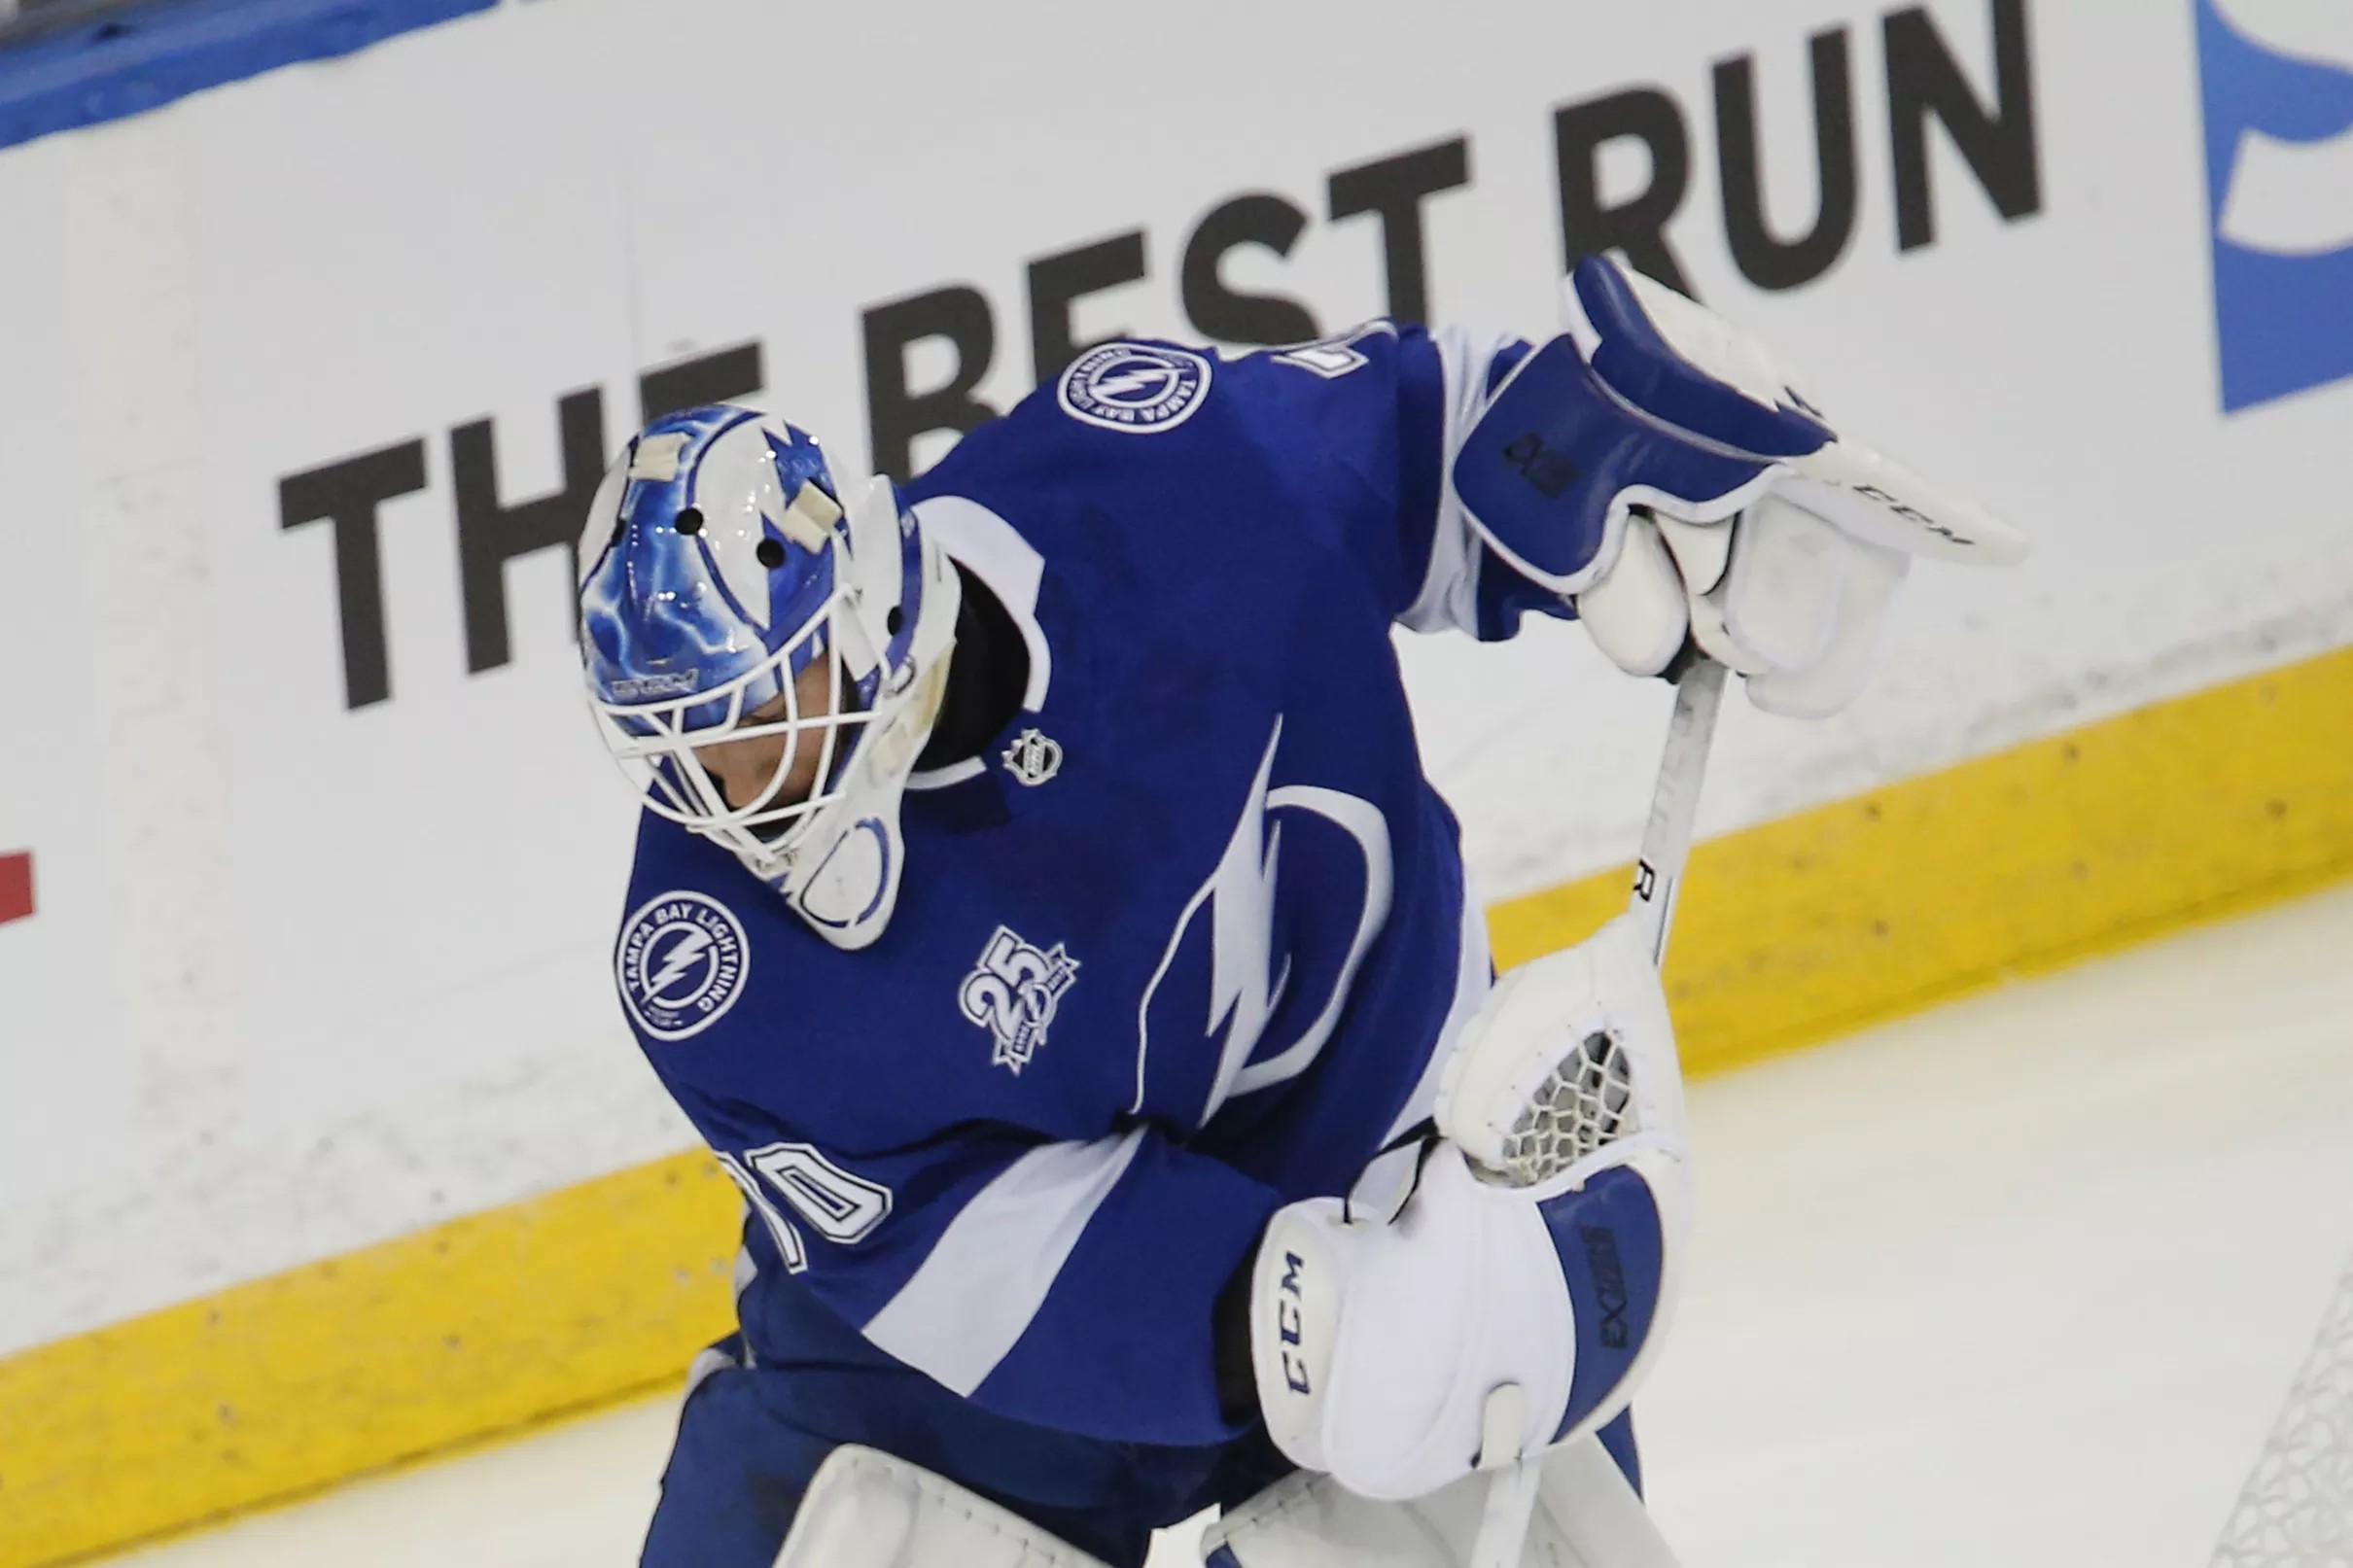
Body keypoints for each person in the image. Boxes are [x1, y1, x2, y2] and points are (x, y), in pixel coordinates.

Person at [575, 257, 2025, 1568]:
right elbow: (976, 1263)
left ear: (865, 600)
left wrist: (1625, 471)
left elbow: (1434, 440)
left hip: (1397, 1153)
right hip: (966, 1370)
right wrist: (1293, 1325)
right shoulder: (712, 969)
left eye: (762, 714)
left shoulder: (1151, 474)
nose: (739, 787)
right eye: (686, 750)